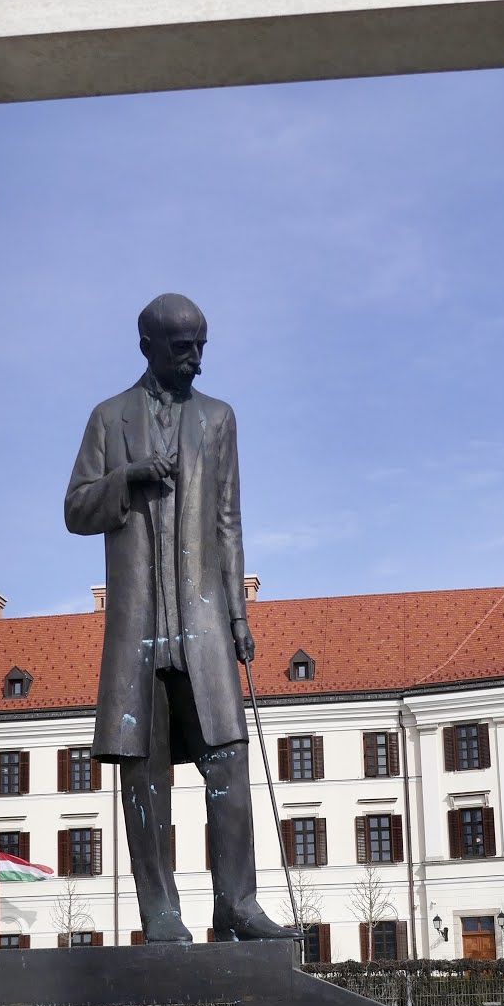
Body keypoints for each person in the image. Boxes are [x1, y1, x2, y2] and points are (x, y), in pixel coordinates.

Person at [64, 293, 290, 944]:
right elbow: (76, 508)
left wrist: (238, 615)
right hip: (137, 628)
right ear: (147, 346)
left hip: (201, 621)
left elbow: (228, 521)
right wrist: (127, 478)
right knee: (145, 775)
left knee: (226, 764)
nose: (194, 358)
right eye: (181, 346)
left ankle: (236, 904)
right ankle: (159, 912)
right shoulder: (109, 419)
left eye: (200, 345)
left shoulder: (218, 419)